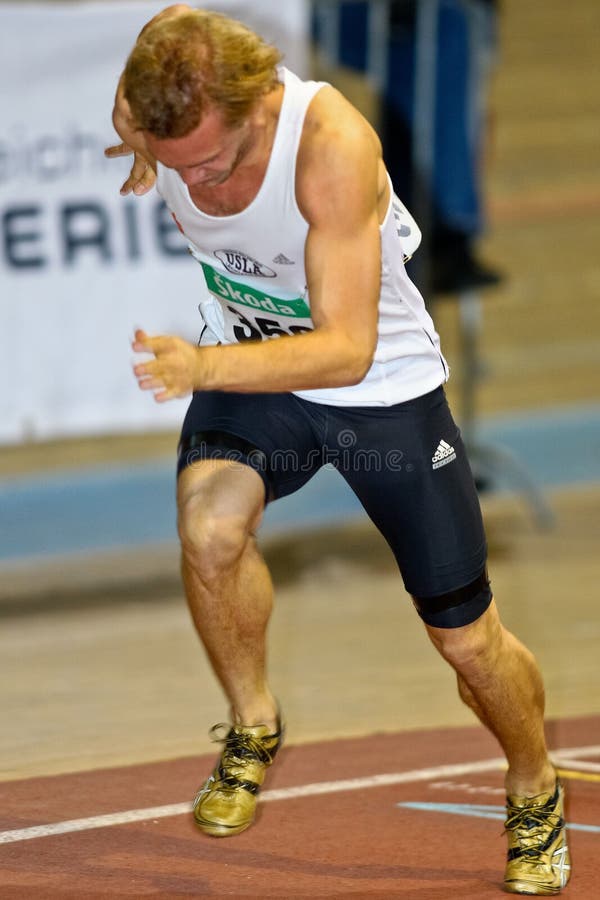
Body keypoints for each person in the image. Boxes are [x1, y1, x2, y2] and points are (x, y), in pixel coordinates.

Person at [105, 6, 569, 894]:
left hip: (376, 389)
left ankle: (533, 780)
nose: (197, 182)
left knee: (468, 645)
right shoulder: (149, 101)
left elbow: (344, 348)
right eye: (176, 164)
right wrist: (138, 146)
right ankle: (252, 723)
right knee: (208, 531)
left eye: (215, 159)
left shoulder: (329, 146)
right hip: (259, 377)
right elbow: (167, 36)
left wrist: (204, 363)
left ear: (255, 106)